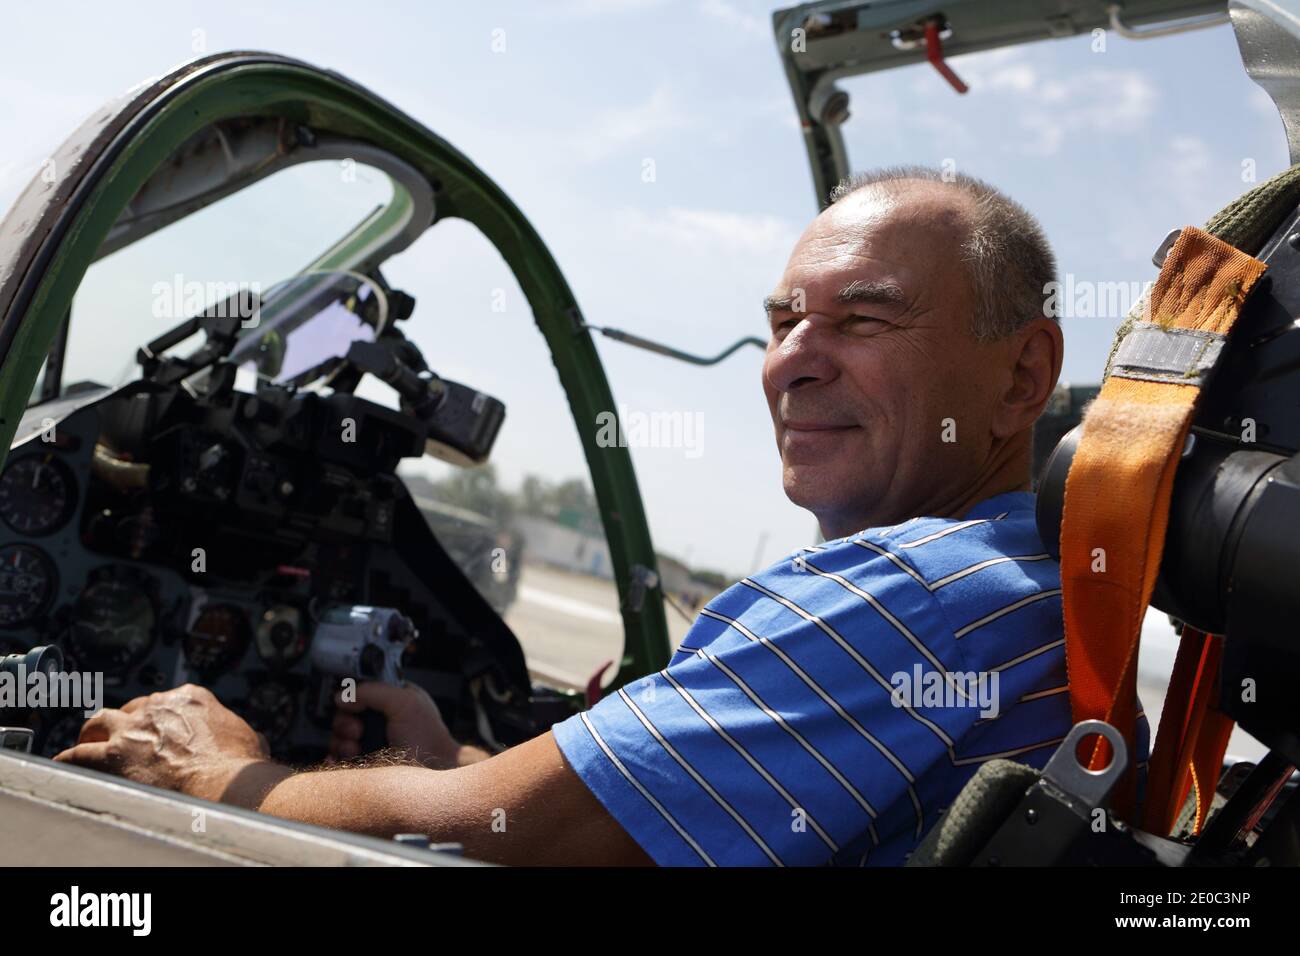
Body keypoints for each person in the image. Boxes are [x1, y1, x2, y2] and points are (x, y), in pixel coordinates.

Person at [56, 166, 1148, 866]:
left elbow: (507, 840)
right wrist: (461, 766)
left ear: (1020, 379)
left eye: (863, 320)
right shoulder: (1020, 584)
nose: (791, 365)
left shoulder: (904, 598)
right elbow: (568, 813)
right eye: (781, 320)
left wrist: (213, 768)